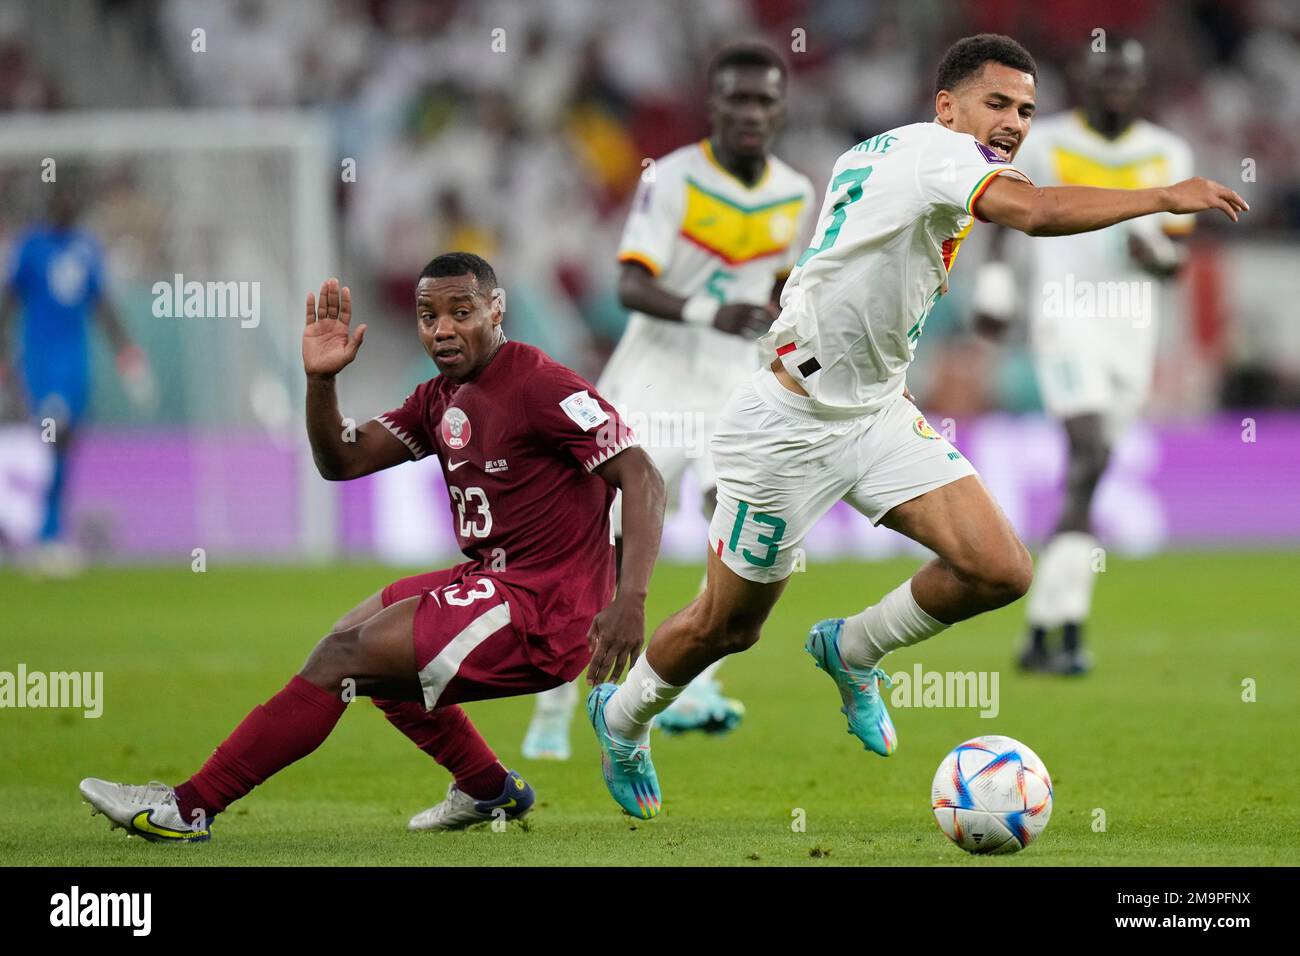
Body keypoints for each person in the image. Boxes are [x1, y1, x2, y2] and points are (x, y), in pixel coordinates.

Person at [583, 33, 1248, 819]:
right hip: (787, 425)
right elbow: (1033, 213)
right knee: (725, 629)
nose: (1012, 121)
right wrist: (1164, 195)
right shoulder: (940, 153)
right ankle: (621, 722)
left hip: (875, 412)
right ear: (947, 105)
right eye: (996, 103)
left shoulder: (897, 153)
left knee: (1002, 569)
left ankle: (852, 647)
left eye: (1026, 110)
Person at [79, 252, 665, 840]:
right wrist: (320, 380)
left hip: (545, 608)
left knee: (345, 660)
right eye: (427, 315)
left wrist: (630, 598)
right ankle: (487, 787)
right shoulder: (439, 396)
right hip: (494, 582)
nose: (442, 328)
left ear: (496, 309)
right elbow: (343, 458)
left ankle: (190, 806)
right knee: (356, 639)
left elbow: (642, 475)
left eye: (461, 312)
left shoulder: (541, 383)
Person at [520, 42, 815, 758]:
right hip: (653, 375)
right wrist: (705, 312)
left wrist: (794, 351)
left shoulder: (798, 194)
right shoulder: (674, 180)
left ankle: (698, 675)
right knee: (616, 547)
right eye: (736, 99)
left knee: (736, 515)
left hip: (732, 384)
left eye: (763, 100)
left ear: (781, 109)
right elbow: (628, 284)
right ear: (712, 104)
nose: (749, 112)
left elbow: (778, 291)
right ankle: (556, 707)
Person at [972, 39, 1193, 675]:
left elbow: (1177, 255)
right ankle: (1057, 626)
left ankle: (1052, 627)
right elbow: (1005, 215)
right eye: (1105, 77)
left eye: (1127, 77)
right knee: (1091, 450)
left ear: (1142, 82)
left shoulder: (1167, 152)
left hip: (1132, 334)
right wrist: (997, 288)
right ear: (1084, 79)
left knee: (1089, 471)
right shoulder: (1045, 140)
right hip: (1064, 318)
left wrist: (1164, 258)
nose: (1117, 87)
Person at [0, 178, 150, 576]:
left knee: (64, 445)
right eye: (60, 198)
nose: (66, 205)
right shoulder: (31, 248)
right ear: (50, 204)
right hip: (40, 362)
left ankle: (48, 536)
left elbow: (102, 306)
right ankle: (46, 536)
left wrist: (126, 351)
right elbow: (8, 302)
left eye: (71, 198)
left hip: (76, 363)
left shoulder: (86, 249)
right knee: (55, 435)